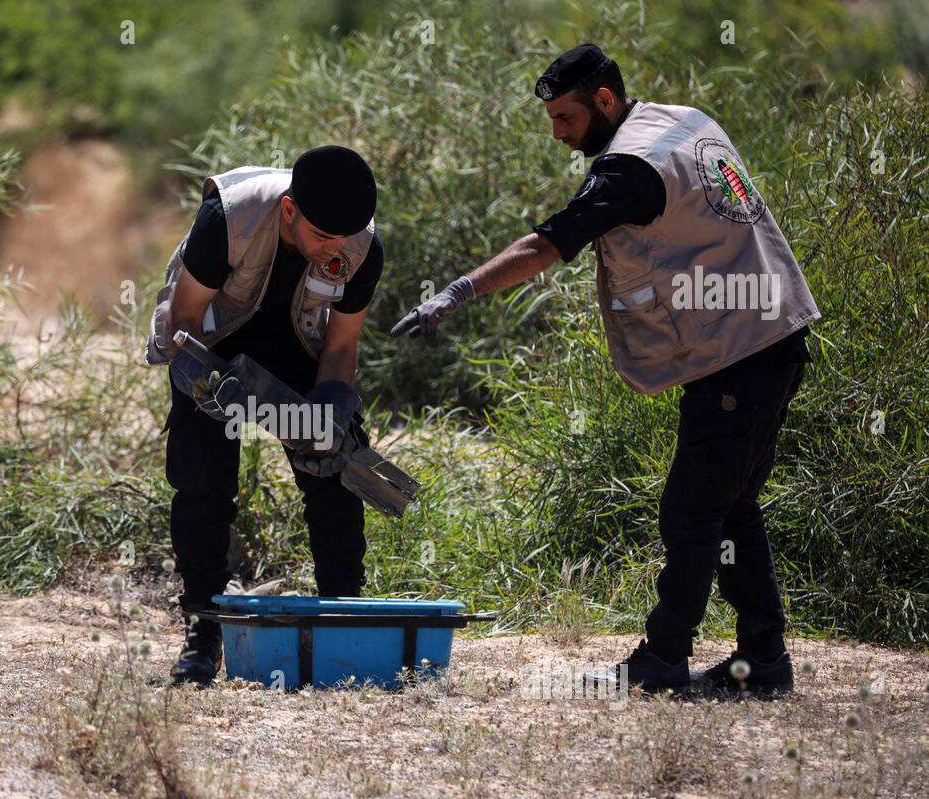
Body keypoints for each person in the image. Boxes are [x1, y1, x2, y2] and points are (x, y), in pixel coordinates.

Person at [392, 45, 819, 695]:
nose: (558, 134)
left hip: (738, 351)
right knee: (730, 509)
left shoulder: (629, 170)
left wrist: (455, 293)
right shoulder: (682, 121)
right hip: (774, 329)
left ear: (604, 101)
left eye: (565, 118)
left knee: (691, 513)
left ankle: (665, 659)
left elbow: (546, 244)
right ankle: (763, 662)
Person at [145, 146, 384, 687]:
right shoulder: (228, 216)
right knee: (203, 483)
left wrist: (329, 411)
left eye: (343, 240)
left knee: (334, 470)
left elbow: (342, 346)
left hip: (299, 346)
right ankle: (202, 634)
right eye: (323, 236)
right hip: (210, 341)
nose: (334, 250)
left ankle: (343, 621)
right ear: (290, 210)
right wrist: (215, 388)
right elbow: (184, 322)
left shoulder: (360, 245)